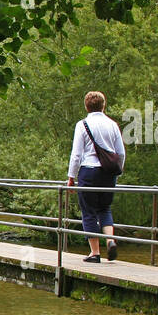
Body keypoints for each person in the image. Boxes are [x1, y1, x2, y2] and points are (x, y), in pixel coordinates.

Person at [67, 90, 126, 263]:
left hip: (89, 172)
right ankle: (110, 240)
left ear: (86, 106)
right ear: (103, 105)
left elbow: (76, 154)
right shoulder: (113, 125)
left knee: (88, 211)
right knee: (105, 208)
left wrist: (71, 177)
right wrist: (118, 171)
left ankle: (95, 253)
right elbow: (120, 153)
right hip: (108, 173)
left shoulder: (82, 124)